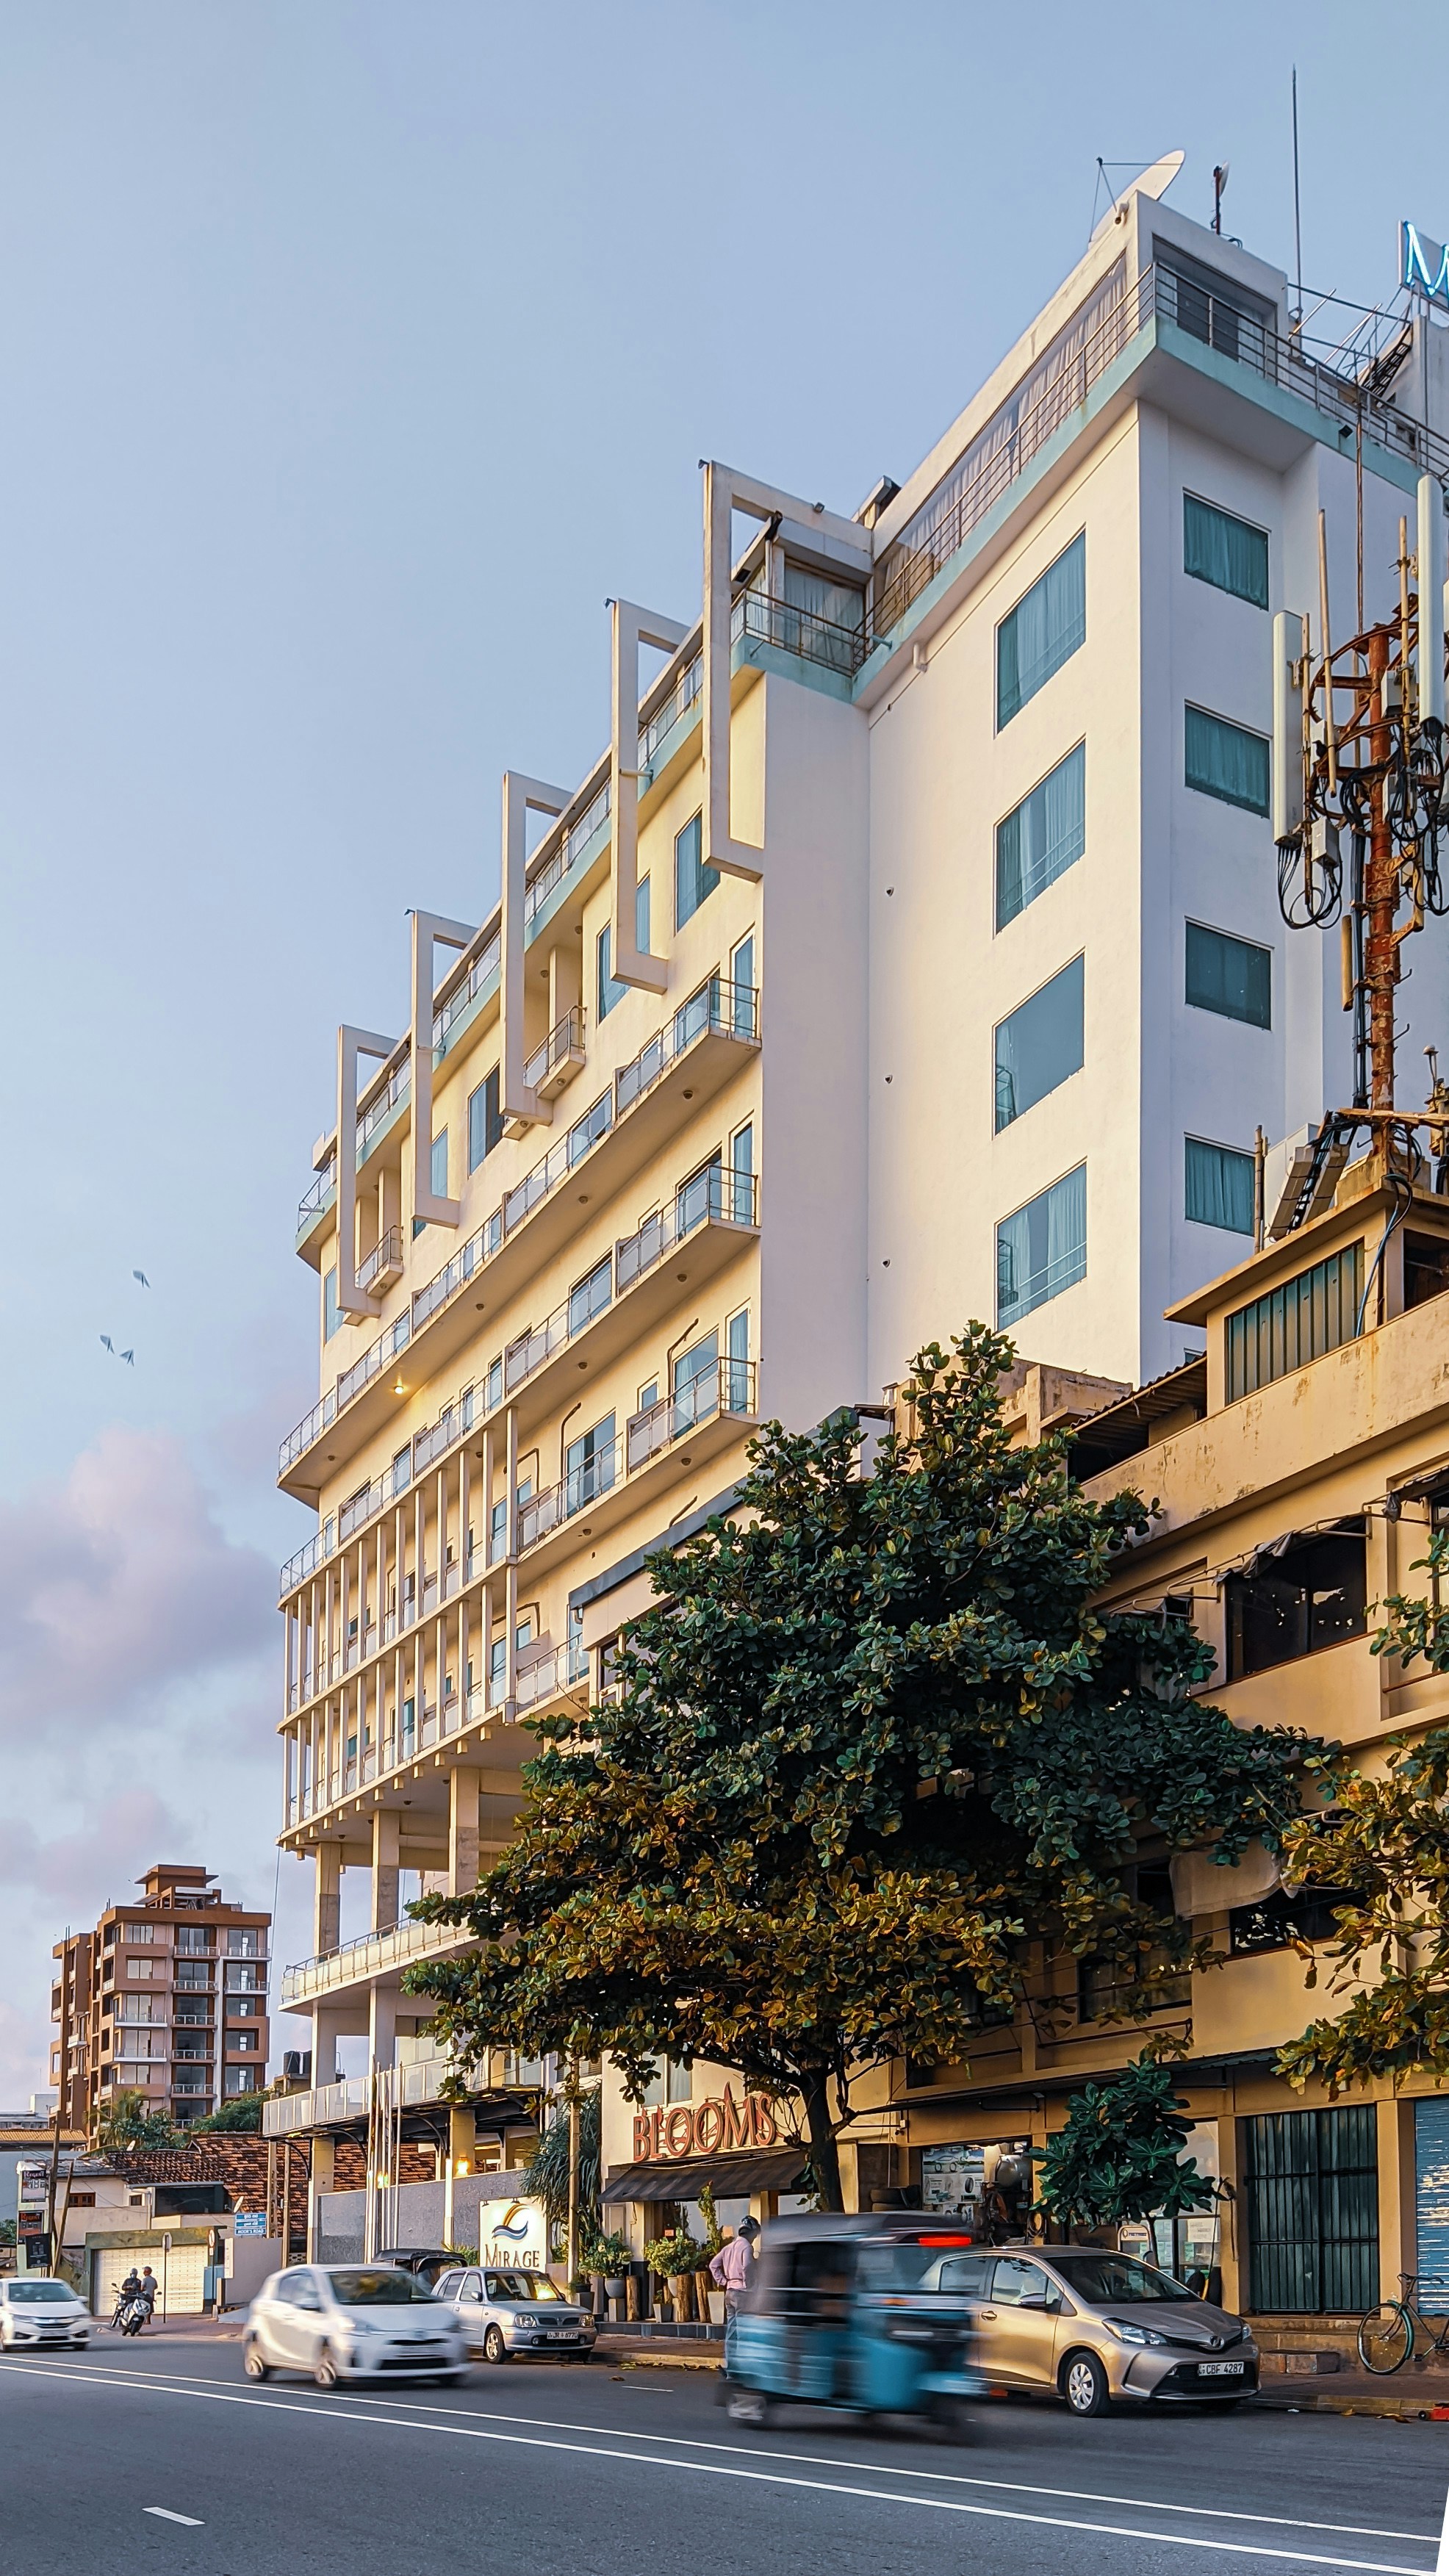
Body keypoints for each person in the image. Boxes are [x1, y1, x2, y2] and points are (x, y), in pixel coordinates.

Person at [708, 2217, 760, 2319]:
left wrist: (724, 2281)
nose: (754, 2239)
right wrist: (749, 2285)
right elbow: (747, 2266)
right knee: (743, 2326)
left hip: (730, 2291)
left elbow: (713, 2265)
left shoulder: (728, 2247)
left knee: (732, 2325)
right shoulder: (747, 2247)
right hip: (742, 2292)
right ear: (751, 2233)